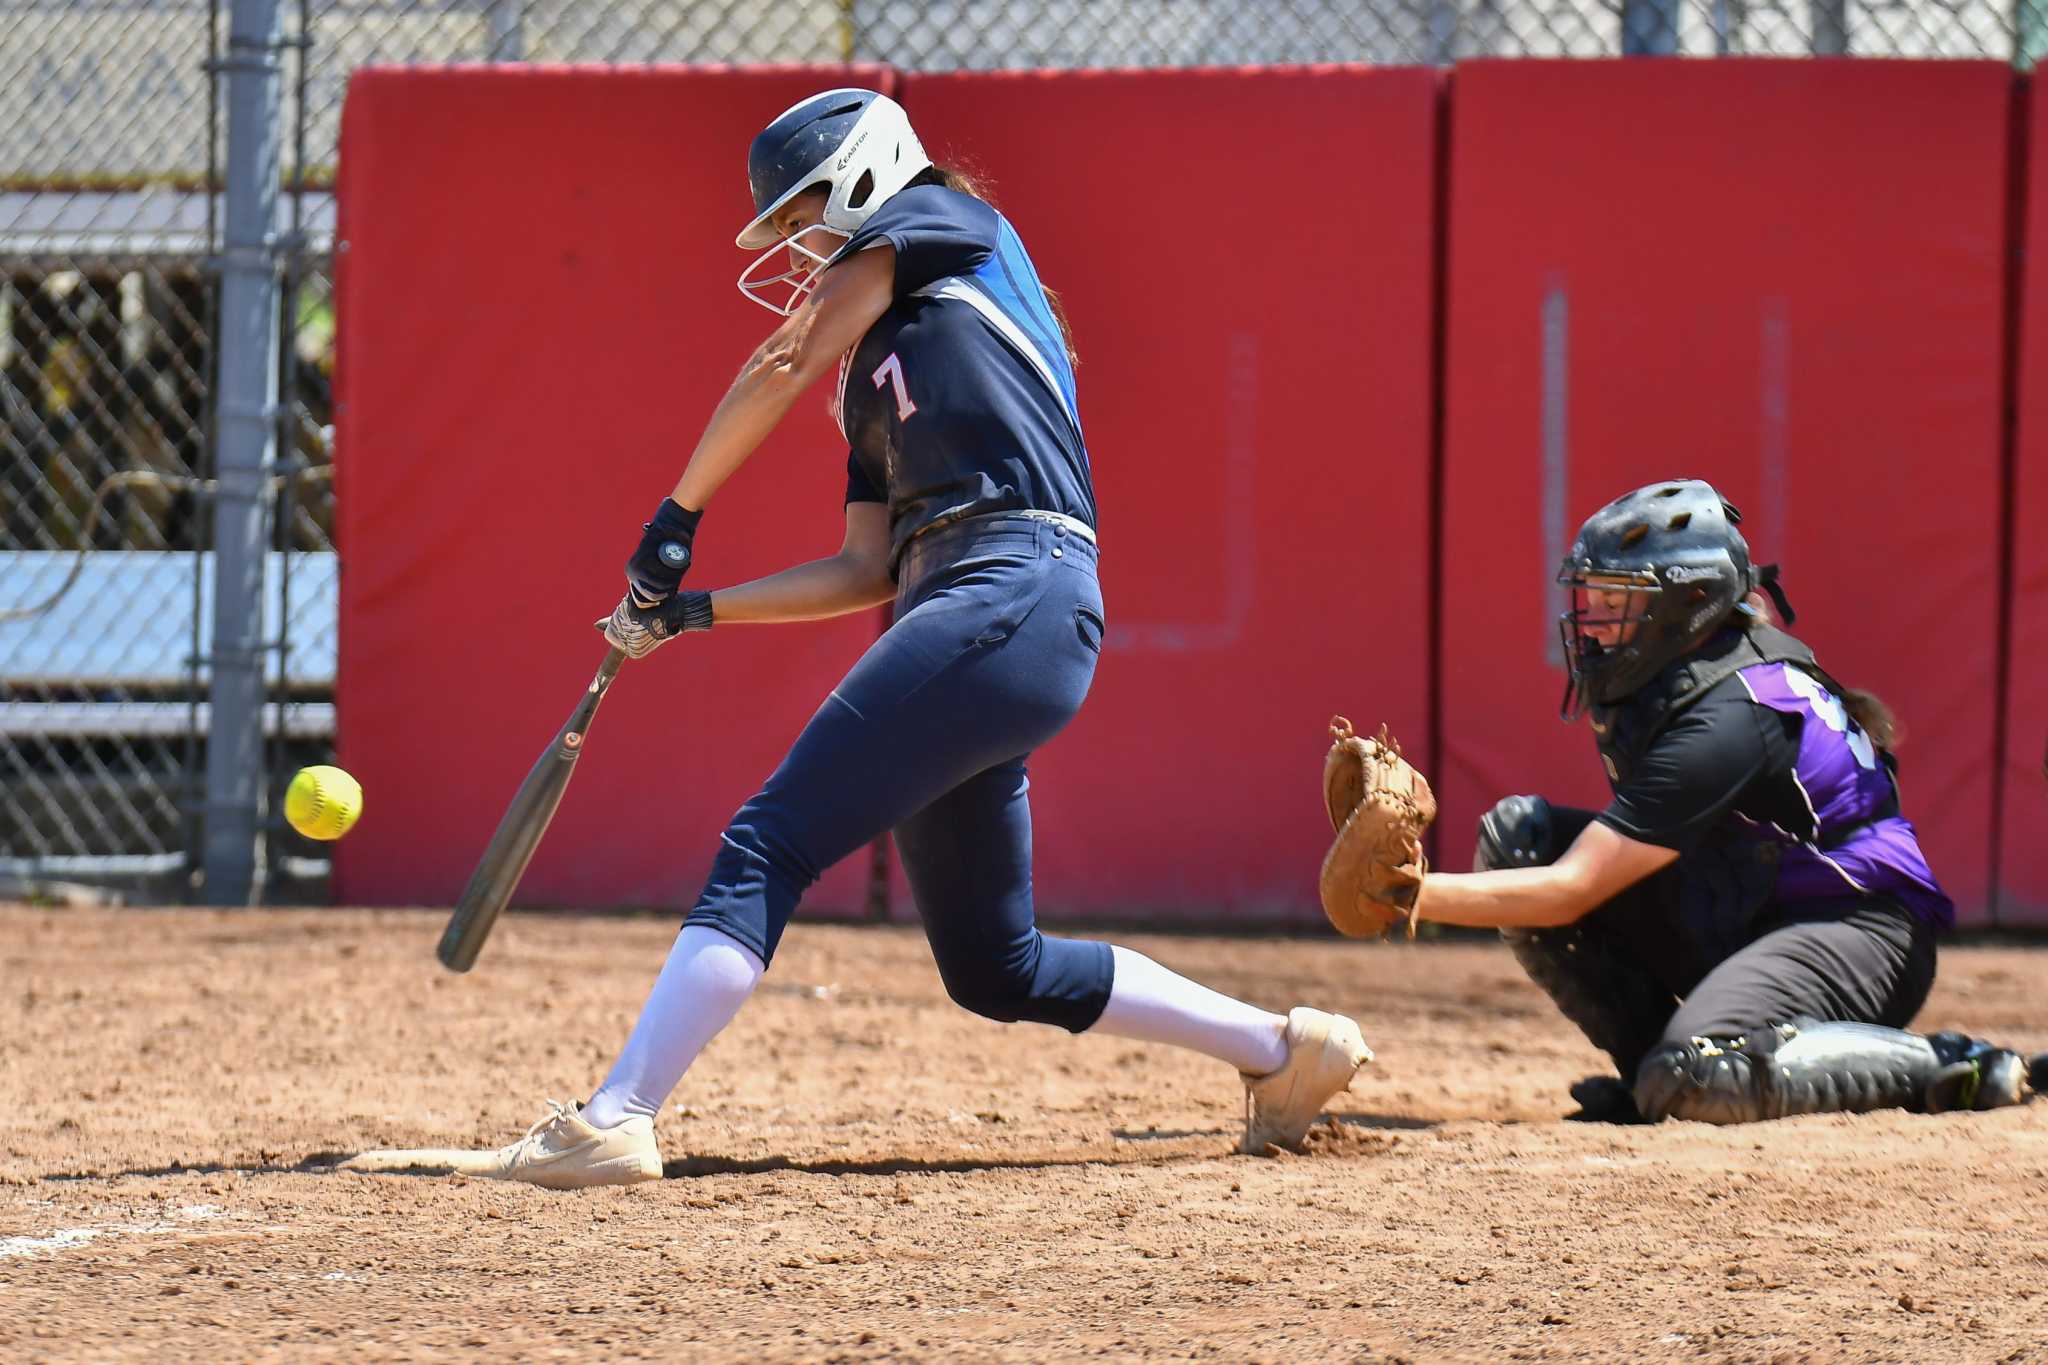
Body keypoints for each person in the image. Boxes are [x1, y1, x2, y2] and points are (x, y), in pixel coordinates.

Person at [345, 89, 1368, 1188]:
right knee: (996, 965)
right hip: (980, 613)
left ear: (867, 178)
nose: (800, 249)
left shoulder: (944, 224)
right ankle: (1284, 1051)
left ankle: (615, 1116)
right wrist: (691, 611)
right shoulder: (881, 371)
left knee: (766, 842)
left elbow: (776, 363)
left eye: (804, 220)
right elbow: (862, 570)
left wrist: (674, 518)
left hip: (1007, 590)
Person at [1402, 478, 2034, 1124]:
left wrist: (1404, 895)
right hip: (1757, 903)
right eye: (1596, 600)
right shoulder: (1692, 676)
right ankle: (1653, 1069)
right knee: (1518, 840)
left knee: (1696, 1073)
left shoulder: (1731, 717)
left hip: (1864, 934)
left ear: (1692, 603)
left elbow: (1574, 886)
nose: (1597, 626)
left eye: (1619, 601)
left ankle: (1953, 1064)